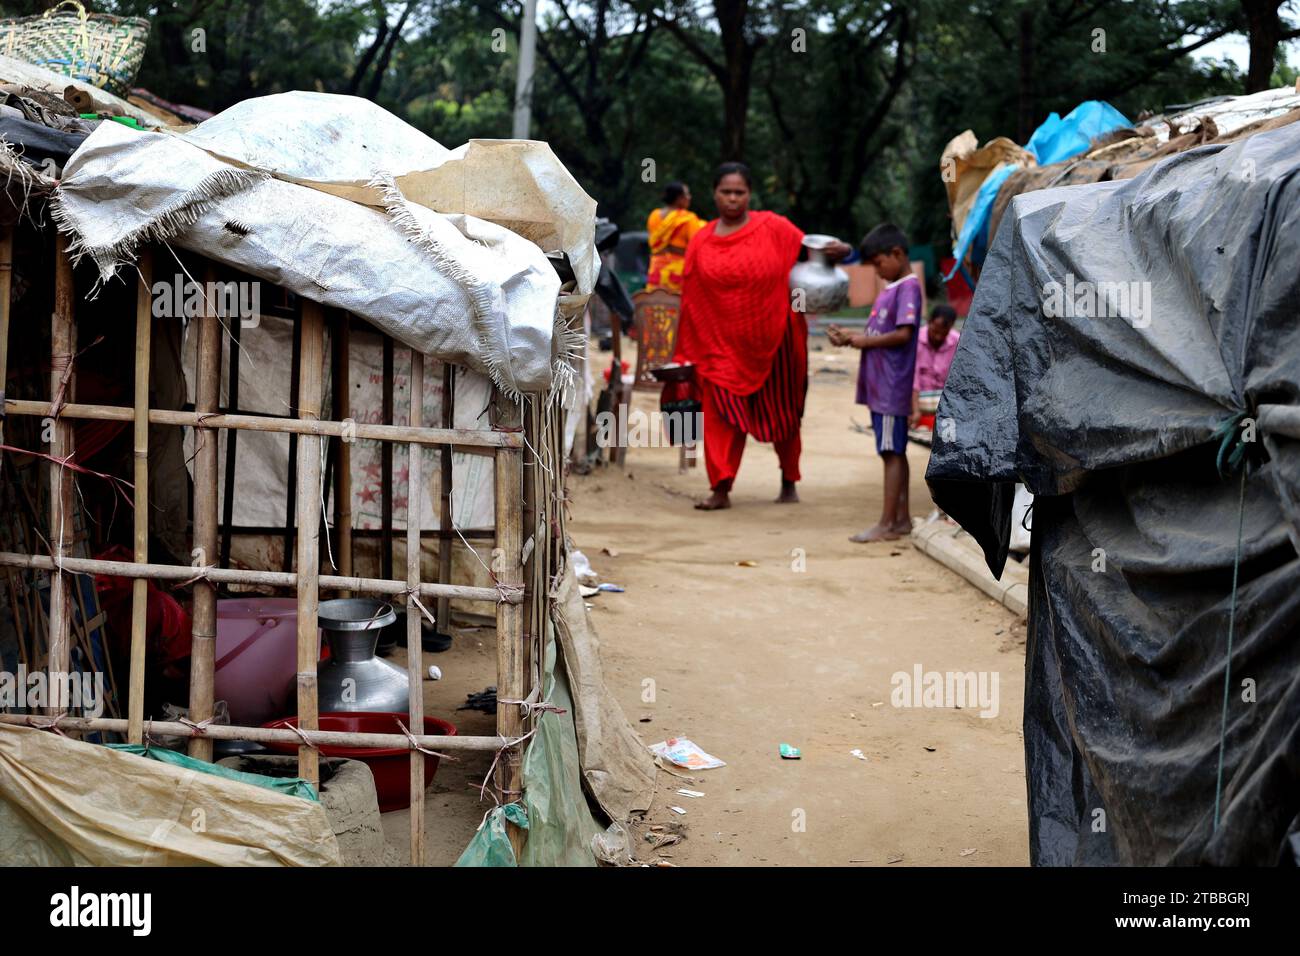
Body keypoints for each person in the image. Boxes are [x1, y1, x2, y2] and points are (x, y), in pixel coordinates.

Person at [677, 161, 849, 510]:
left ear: (750, 194)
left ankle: (789, 480)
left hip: (777, 340)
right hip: (720, 347)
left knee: (784, 413)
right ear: (714, 194)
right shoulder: (700, 241)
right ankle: (720, 488)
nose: (732, 198)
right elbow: (691, 298)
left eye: (739, 192)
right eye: (726, 192)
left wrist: (840, 249)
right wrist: (686, 350)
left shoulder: (775, 227)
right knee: (720, 415)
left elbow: (815, 251)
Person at [828, 223, 920, 542]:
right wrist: (851, 337)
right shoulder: (892, 289)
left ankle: (887, 523)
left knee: (890, 452)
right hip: (881, 386)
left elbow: (904, 334)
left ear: (897, 254)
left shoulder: (908, 287)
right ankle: (901, 520)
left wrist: (863, 342)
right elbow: (880, 333)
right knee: (893, 451)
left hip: (892, 386)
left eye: (879, 264)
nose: (878, 272)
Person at [644, 182, 706, 295]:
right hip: (677, 273)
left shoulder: (654, 215)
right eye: (687, 194)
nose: (689, 197)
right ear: (679, 198)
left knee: (655, 301)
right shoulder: (688, 219)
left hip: (656, 270)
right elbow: (696, 247)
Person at [910, 305, 960, 430]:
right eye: (935, 331)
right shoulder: (915, 340)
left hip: (944, 401)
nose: (938, 337)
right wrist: (915, 410)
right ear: (929, 322)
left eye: (944, 333)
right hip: (916, 399)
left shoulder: (957, 341)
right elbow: (913, 379)